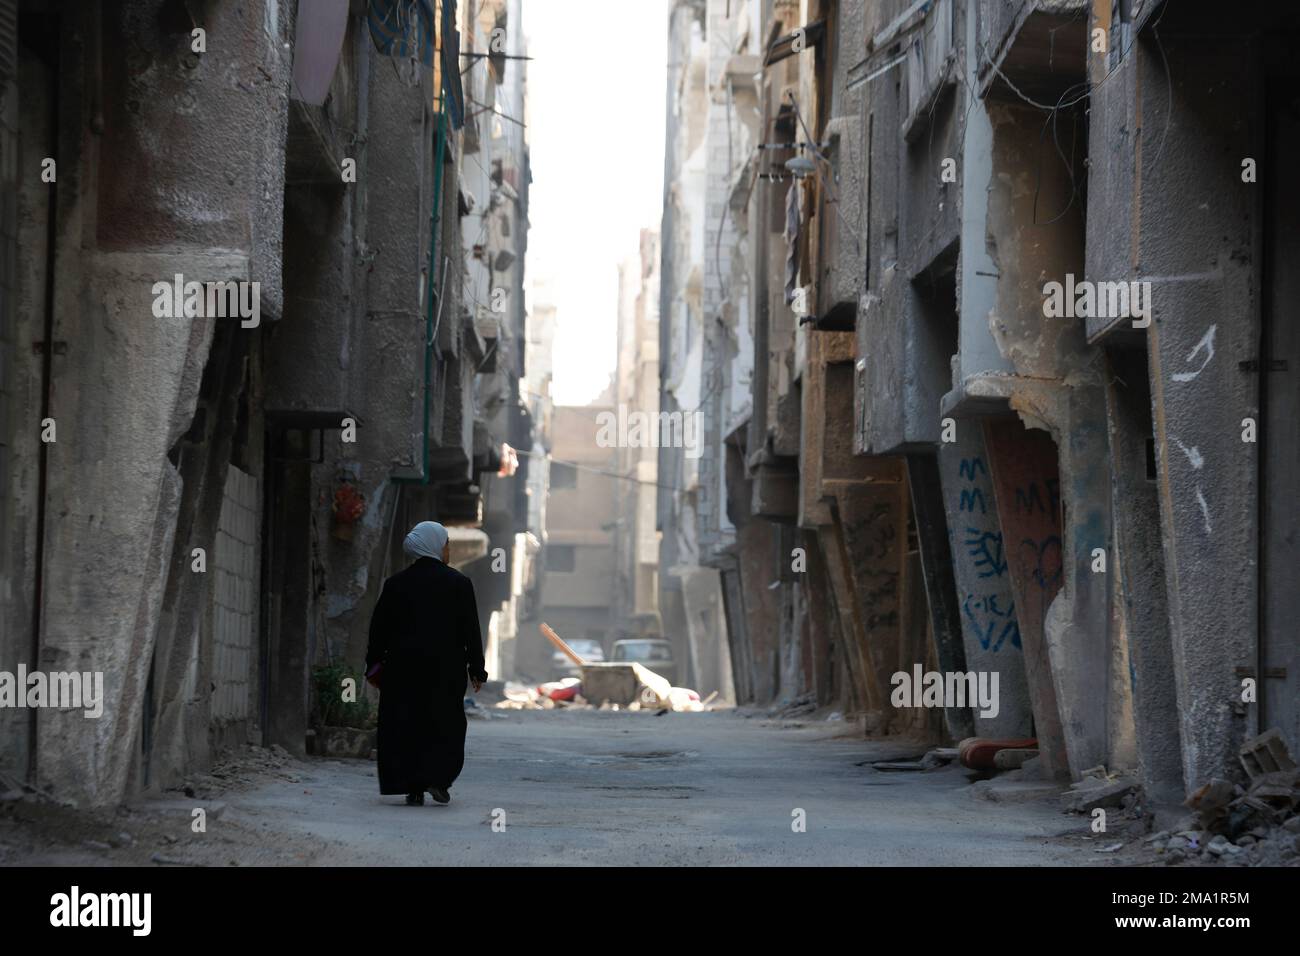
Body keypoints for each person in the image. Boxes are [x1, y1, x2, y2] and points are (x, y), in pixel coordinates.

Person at [366, 520, 488, 806]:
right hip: (445, 672)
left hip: (402, 671)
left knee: (406, 724)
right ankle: (438, 779)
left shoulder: (395, 584)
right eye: (446, 543)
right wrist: (476, 670)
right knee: (444, 724)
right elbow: (471, 630)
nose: (448, 548)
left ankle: (413, 786)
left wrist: (373, 666)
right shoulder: (459, 583)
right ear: (435, 546)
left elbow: (379, 629)